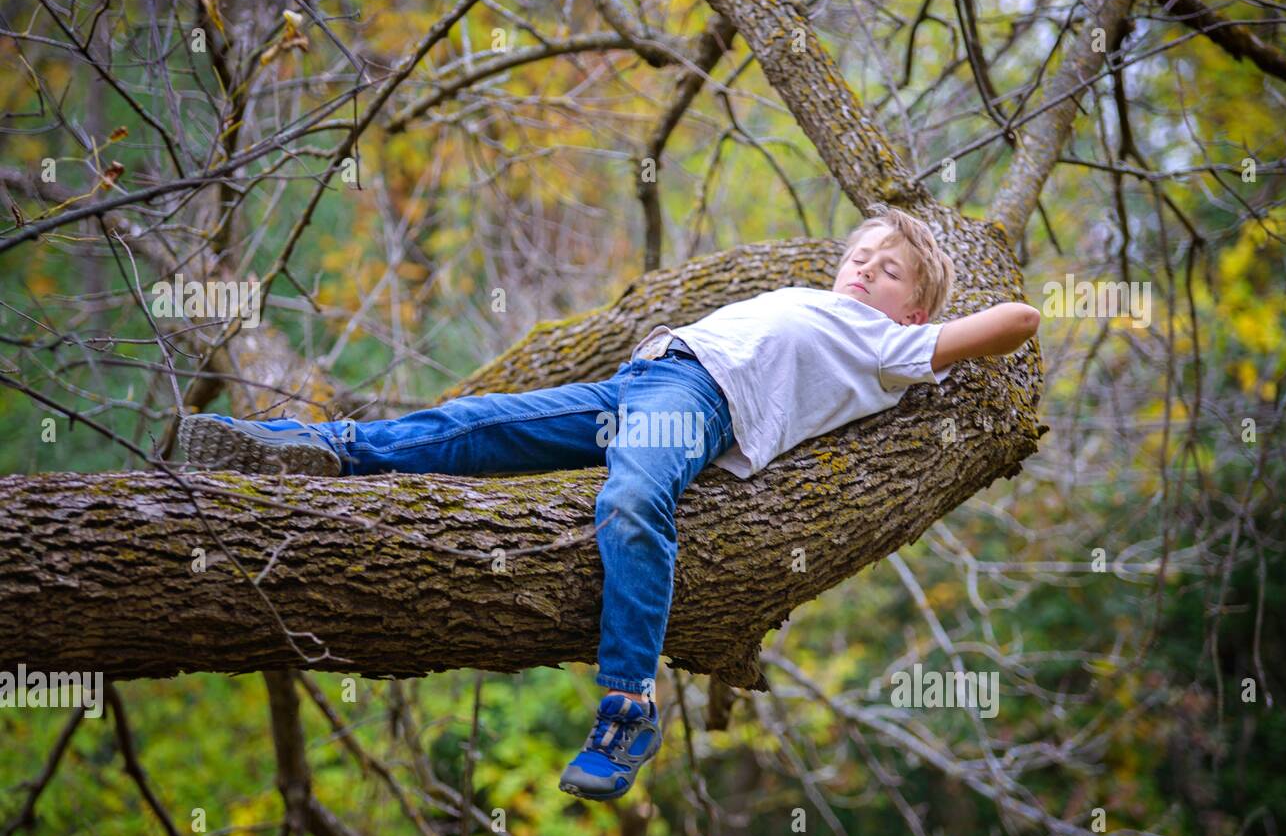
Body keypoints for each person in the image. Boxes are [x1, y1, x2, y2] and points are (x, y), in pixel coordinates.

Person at [178, 203, 1040, 802]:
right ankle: (327, 451)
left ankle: (627, 707)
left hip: (697, 406)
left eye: (888, 270)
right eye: (859, 256)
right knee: (479, 425)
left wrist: (947, 321)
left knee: (631, 502)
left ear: (917, 305)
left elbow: (1019, 319)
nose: (863, 269)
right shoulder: (818, 299)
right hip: (645, 379)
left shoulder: (893, 345)